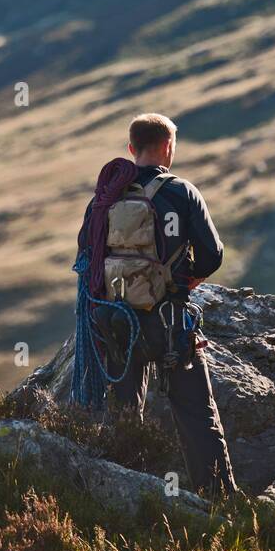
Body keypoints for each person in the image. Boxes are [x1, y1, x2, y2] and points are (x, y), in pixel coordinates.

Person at [75, 113, 236, 497]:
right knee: (196, 412)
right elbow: (213, 255)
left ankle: (127, 497)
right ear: (168, 148)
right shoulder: (181, 191)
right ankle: (218, 500)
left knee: (124, 415)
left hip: (117, 323)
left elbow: (86, 252)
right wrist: (184, 279)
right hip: (169, 322)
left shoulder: (106, 196)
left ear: (132, 149)